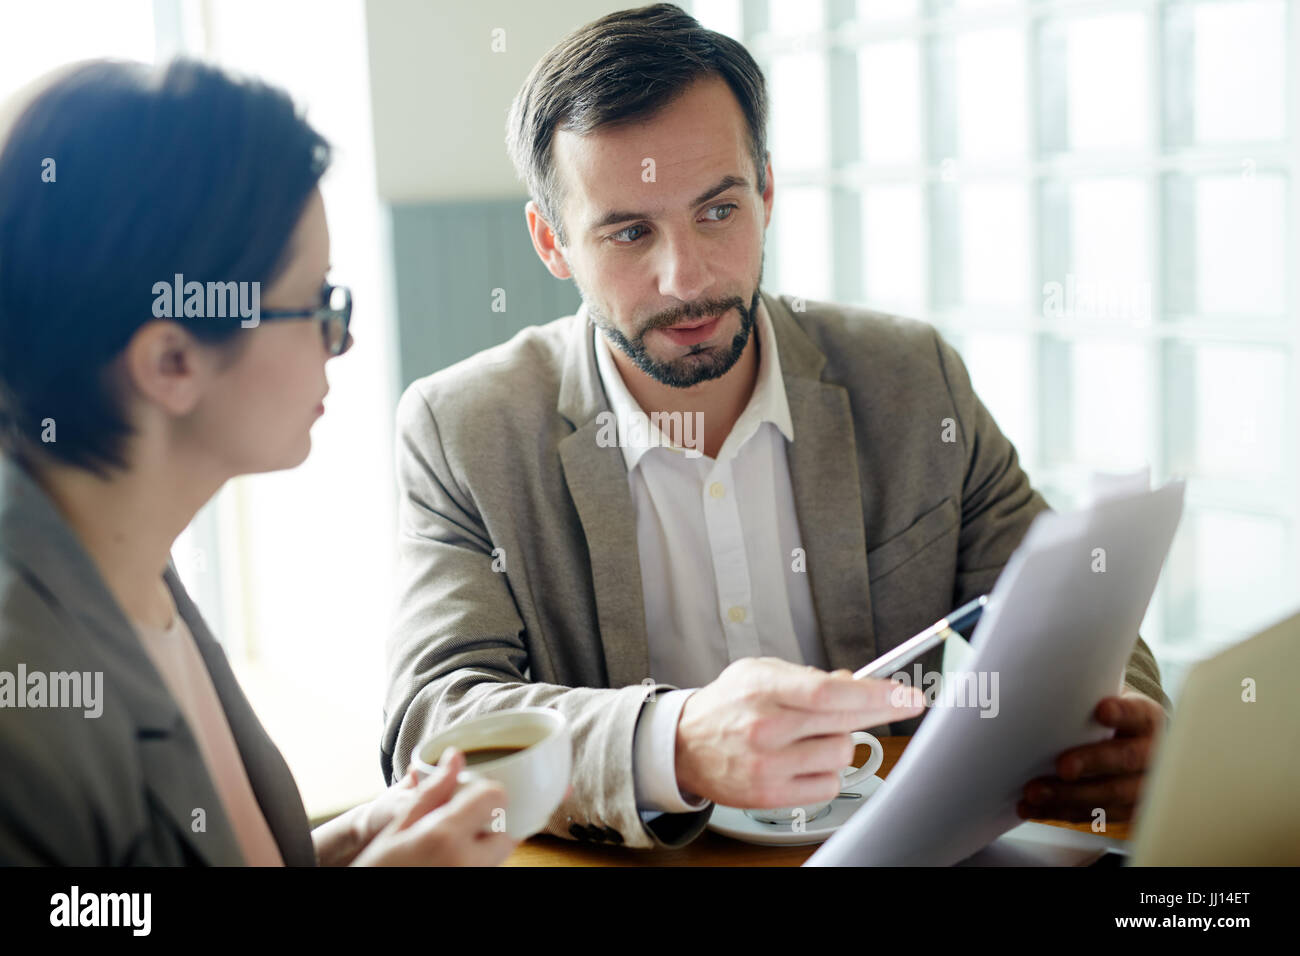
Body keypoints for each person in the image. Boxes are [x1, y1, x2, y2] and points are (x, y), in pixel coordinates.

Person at [382, 3, 1171, 850]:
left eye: (718, 211)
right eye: (629, 232)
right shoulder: (463, 429)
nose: (687, 278)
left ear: (765, 190)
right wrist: (673, 745)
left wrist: (1126, 728)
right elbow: (436, 725)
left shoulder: (913, 380)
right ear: (551, 242)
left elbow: (1068, 615)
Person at [0, 58, 516, 866]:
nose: (339, 342)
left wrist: (341, 850)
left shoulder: (129, 561)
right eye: (317, 306)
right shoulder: (21, 697)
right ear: (172, 361)